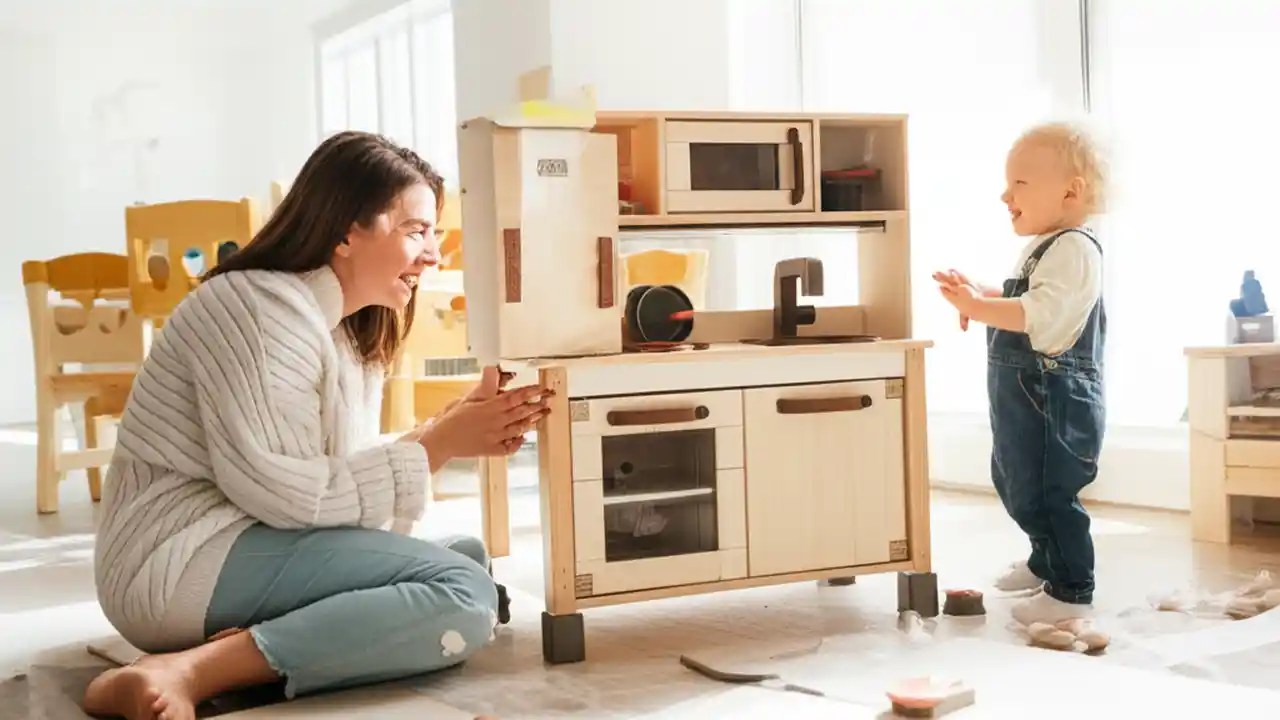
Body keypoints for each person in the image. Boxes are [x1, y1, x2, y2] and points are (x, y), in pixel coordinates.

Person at [84, 130, 549, 720]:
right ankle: (186, 670)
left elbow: (330, 485)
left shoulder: (345, 331)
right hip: (177, 564)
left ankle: (244, 645)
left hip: (246, 539)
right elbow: (292, 498)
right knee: (462, 594)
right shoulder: (254, 310)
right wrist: (437, 445)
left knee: (466, 555)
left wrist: (452, 425)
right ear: (347, 231)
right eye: (415, 232)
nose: (434, 254)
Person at [933, 122, 1108, 626]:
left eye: (1020, 184)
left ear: (1070, 191)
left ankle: (1072, 589)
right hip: (1027, 393)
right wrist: (982, 296)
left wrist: (981, 307)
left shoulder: (1075, 247)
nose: (1005, 194)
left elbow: (1040, 314)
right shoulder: (1050, 244)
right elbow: (1024, 301)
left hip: (1055, 394)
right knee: (1016, 479)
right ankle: (1044, 561)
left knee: (1049, 490)